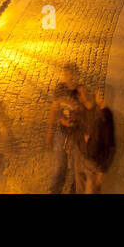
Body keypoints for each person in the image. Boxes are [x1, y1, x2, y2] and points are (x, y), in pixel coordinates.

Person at [44, 64, 83, 193]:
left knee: (77, 169)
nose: (68, 79)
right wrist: (51, 131)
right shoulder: (60, 88)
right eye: (66, 75)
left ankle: (75, 190)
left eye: (71, 76)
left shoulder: (81, 92)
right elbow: (55, 109)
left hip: (77, 135)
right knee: (59, 166)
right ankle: (54, 190)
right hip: (61, 132)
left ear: (77, 76)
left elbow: (85, 117)